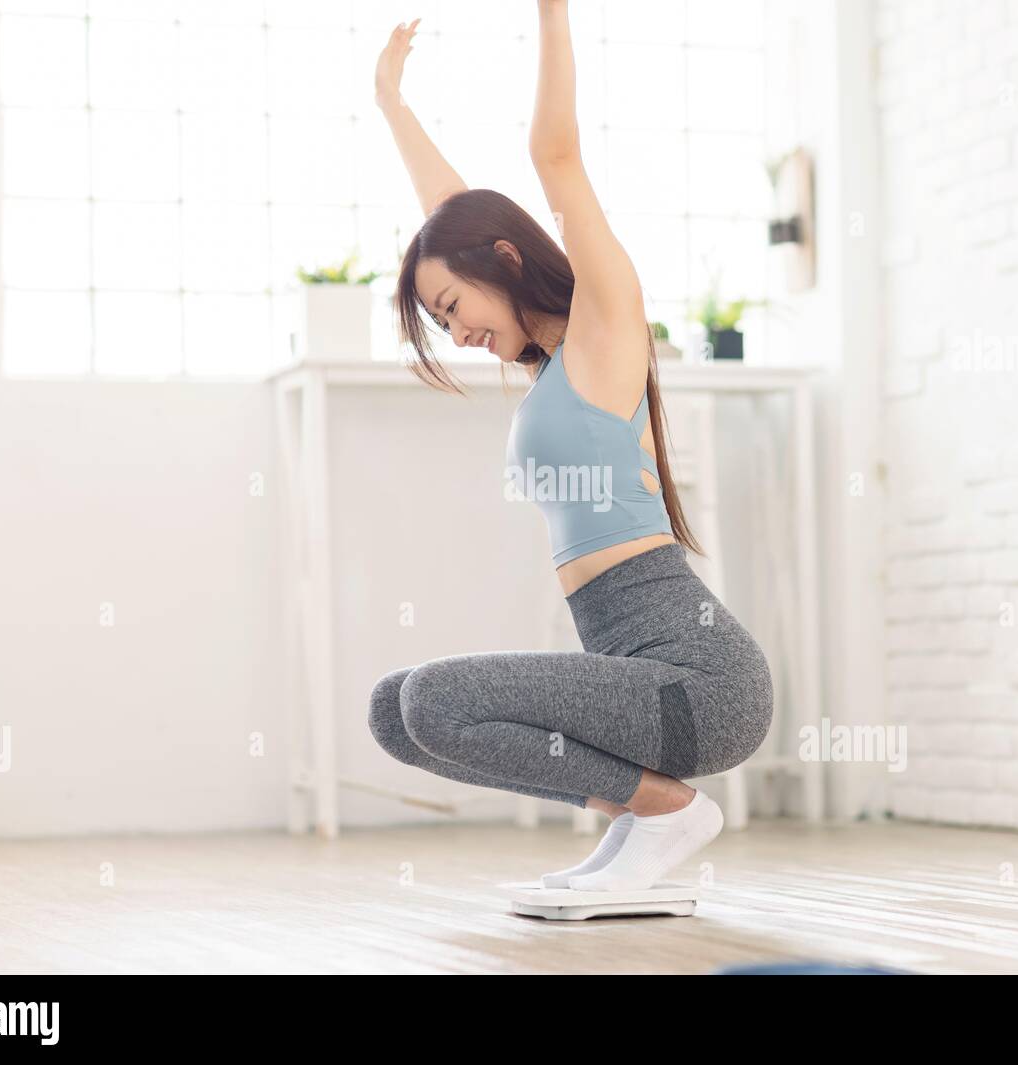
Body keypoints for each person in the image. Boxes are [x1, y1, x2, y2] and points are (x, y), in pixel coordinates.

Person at [366, 5, 774, 892]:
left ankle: (662, 812)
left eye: (451, 308)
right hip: (634, 670)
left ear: (505, 261)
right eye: (440, 319)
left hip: (700, 681)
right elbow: (454, 218)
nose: (457, 331)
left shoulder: (604, 328)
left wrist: (550, 11)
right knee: (396, 711)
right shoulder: (548, 365)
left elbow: (554, 158)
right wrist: (392, 104)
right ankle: (644, 815)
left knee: (436, 696)